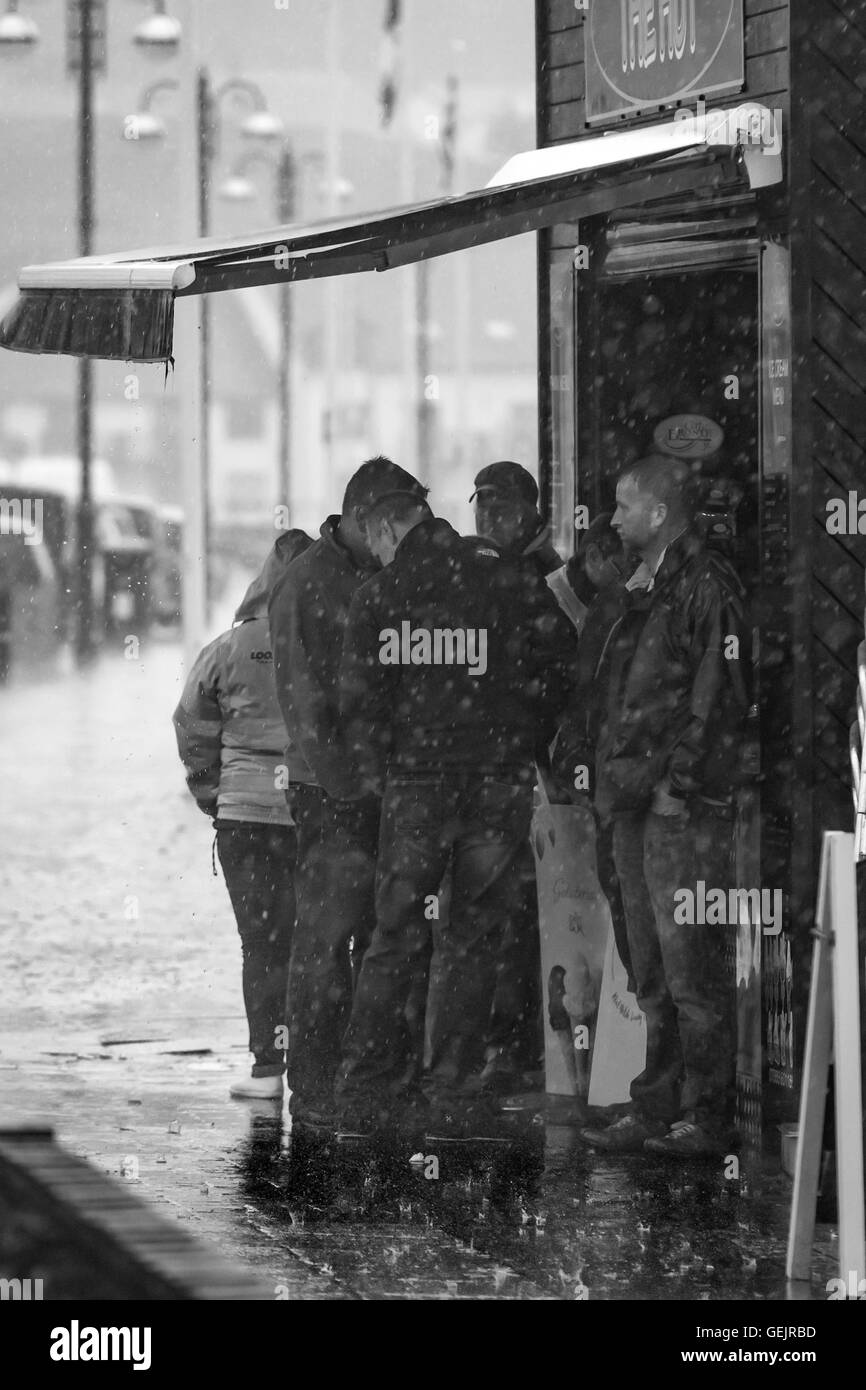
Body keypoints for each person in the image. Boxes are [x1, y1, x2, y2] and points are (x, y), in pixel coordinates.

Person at [335, 490, 577, 1137]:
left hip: (417, 783)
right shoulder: (508, 578)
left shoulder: (383, 595)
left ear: (383, 523)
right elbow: (559, 664)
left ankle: (367, 1087)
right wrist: (522, 733)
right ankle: (455, 1088)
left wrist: (381, 777)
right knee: (475, 937)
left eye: (374, 539)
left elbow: (357, 701)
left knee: (395, 933)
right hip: (497, 779)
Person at [579, 455, 749, 1157]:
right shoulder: (644, 587)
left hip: (670, 805)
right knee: (650, 965)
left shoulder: (704, 586)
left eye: (623, 506)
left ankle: (707, 1113)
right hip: (630, 798)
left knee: (689, 969)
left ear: (657, 512)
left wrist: (679, 785)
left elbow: (719, 697)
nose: (612, 519)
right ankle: (660, 1100)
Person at [268, 457, 428, 1127]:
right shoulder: (311, 584)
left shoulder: (377, 574)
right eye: (392, 524)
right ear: (363, 518)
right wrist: (350, 788)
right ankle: (313, 1085)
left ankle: (364, 1081)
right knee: (328, 941)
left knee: (379, 936)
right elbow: (308, 704)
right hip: (333, 793)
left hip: (377, 787)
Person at [172, 528, 313, 1099]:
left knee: (262, 943)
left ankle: (267, 1071)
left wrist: (212, 790)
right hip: (312, 812)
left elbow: (190, 722)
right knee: (318, 941)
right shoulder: (325, 639)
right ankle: (318, 1066)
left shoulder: (231, 648)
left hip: (244, 818)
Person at [554, 513, 636, 992]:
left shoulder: (616, 606)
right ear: (597, 556)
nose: (625, 572)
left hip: (607, 773)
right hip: (600, 773)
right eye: (619, 562)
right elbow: (581, 698)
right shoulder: (609, 608)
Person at [471, 460, 583, 629]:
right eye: (481, 507)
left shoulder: (550, 579)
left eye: (499, 509)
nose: (487, 517)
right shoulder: (477, 562)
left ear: (528, 515)